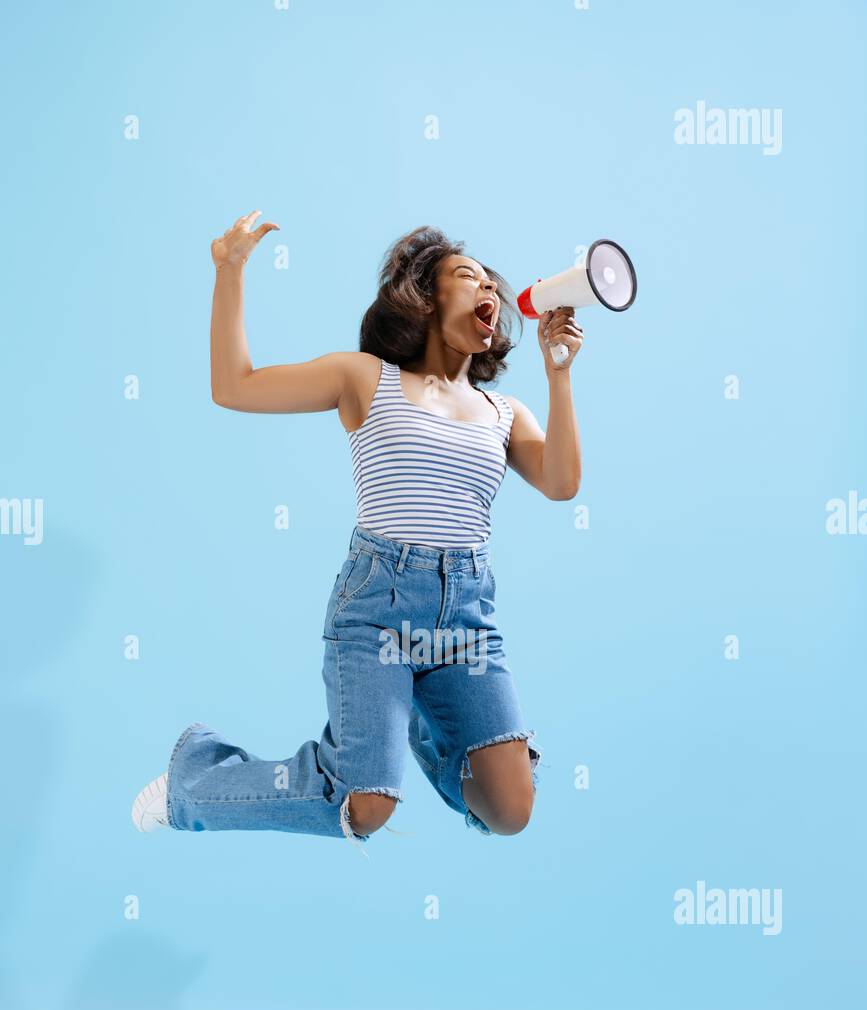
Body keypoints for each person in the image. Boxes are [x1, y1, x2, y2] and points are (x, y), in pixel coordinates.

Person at [132, 217, 583, 845]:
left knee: (510, 809)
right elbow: (233, 387)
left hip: (467, 616)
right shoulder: (367, 378)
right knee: (367, 806)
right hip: (378, 609)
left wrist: (558, 374)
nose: (487, 288)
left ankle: (416, 713)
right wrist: (229, 269)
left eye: (490, 283)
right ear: (423, 299)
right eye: (466, 275)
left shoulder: (505, 413)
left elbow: (562, 482)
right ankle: (195, 781)